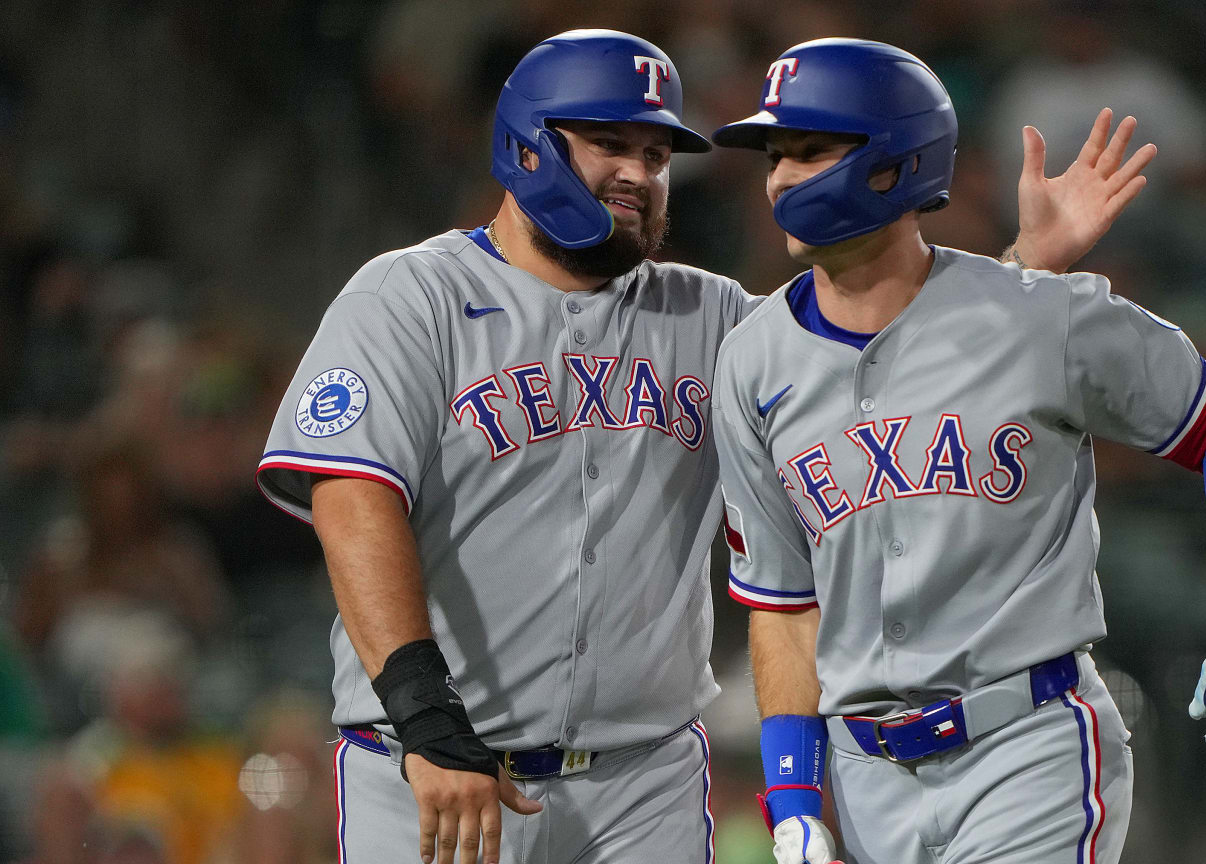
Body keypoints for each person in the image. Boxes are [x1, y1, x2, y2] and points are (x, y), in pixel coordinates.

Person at [256, 28, 1151, 864]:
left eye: (655, 155)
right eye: (609, 143)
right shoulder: (410, 297)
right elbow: (353, 502)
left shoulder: (715, 317)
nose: (638, 174)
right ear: (528, 145)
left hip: (642, 785)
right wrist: (424, 719)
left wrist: (1026, 268)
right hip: (431, 767)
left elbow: (888, 368)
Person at [709, 38, 1206, 864]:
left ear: (893, 163)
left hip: (1028, 749)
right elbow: (783, 605)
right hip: (865, 779)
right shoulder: (750, 360)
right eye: (775, 156)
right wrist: (793, 799)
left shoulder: (1040, 316)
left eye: (809, 151)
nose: (780, 178)